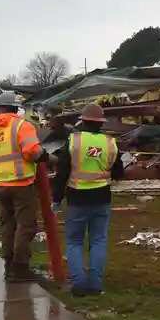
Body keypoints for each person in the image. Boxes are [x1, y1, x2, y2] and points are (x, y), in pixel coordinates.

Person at [51, 104, 123, 296]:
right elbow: (119, 172)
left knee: (74, 241)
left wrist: (56, 199)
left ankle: (79, 284)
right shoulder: (110, 142)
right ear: (101, 123)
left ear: (82, 121)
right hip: (102, 197)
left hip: (77, 198)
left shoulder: (74, 140)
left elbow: (62, 172)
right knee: (98, 240)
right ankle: (95, 285)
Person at [0, 91, 48, 282]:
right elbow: (33, 152)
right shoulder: (22, 125)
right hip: (21, 184)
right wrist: (48, 157)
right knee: (25, 226)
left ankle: (9, 266)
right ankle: (20, 270)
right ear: (15, 107)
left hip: (1, 184)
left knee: (8, 226)